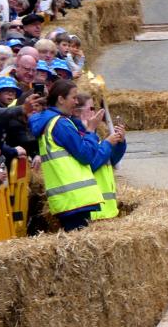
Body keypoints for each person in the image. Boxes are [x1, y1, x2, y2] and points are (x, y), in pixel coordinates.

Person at [28, 80, 122, 231]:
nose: (76, 101)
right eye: (73, 97)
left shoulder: (48, 121)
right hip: (75, 198)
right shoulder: (60, 124)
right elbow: (85, 155)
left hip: (67, 198)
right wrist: (91, 130)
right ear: (60, 99)